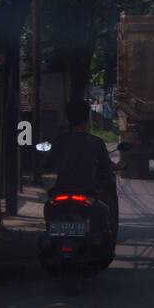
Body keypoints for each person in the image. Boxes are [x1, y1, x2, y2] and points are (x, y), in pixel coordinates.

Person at [45, 98, 118, 243]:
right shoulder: (96, 143)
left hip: (61, 192)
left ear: (68, 118)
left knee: (49, 208)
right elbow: (106, 167)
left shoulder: (59, 141)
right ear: (86, 119)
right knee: (105, 215)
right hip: (87, 193)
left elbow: (48, 164)